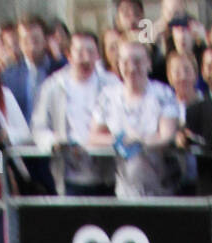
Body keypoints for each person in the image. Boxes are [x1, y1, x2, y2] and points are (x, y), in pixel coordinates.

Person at [89, 40, 180, 197]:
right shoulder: (107, 96)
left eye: (137, 61)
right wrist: (119, 139)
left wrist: (139, 140)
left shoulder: (163, 93)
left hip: (159, 185)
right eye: (125, 62)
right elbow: (93, 136)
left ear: (148, 64)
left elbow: (166, 135)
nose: (131, 68)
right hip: (123, 187)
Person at [32, 30, 119, 195]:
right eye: (79, 52)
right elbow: (39, 127)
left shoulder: (112, 84)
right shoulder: (53, 87)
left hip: (107, 174)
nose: (86, 58)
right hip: (70, 175)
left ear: (98, 56)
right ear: (69, 55)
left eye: (91, 52)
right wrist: (54, 141)